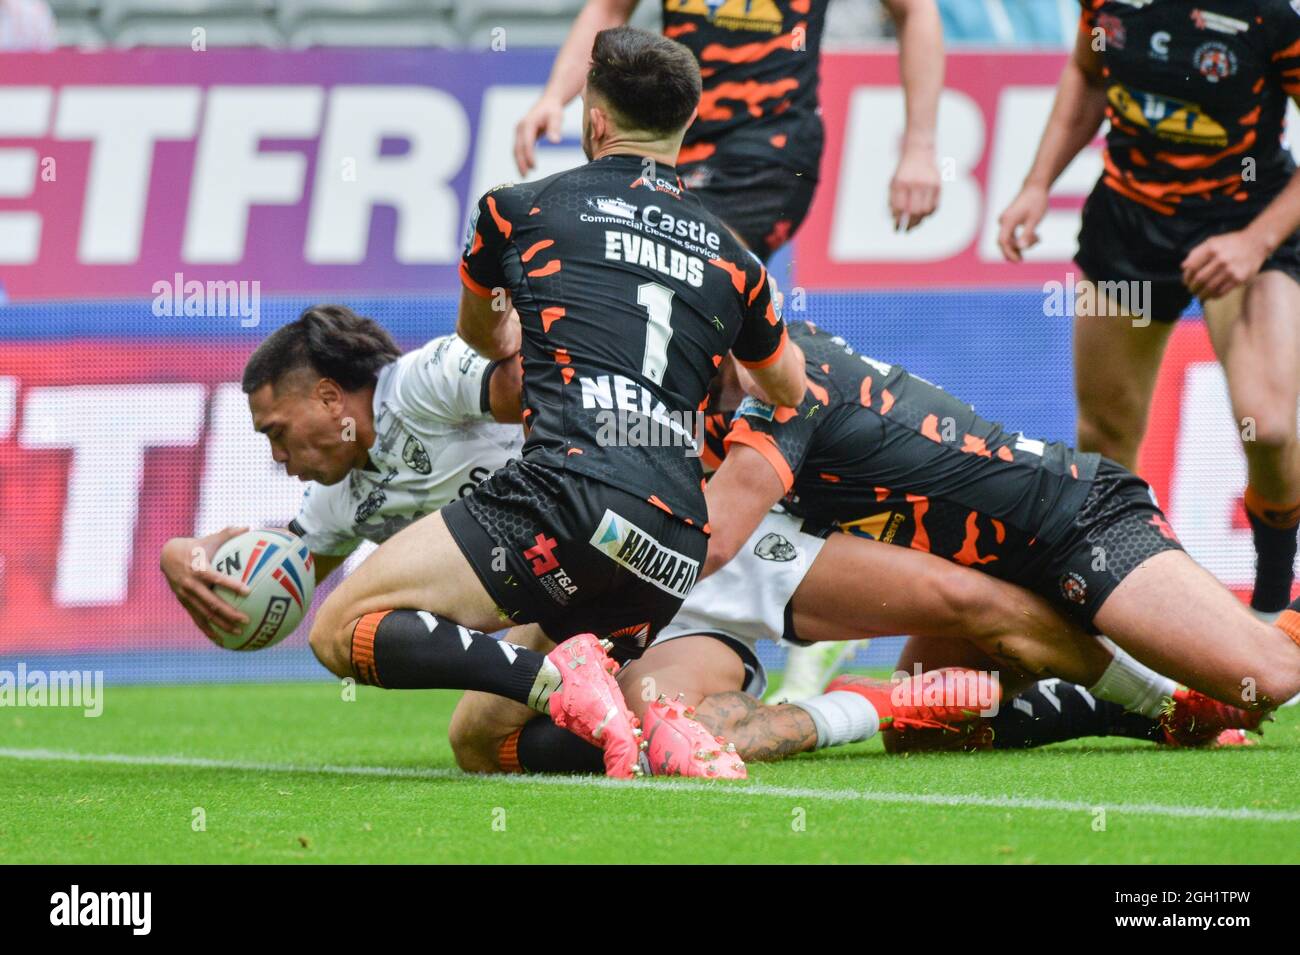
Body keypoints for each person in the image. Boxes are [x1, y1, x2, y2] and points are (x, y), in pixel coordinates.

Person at [303, 27, 804, 779]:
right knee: (479, 742)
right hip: (670, 545)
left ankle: (556, 680)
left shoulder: (516, 209)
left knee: (339, 627)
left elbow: (478, 335)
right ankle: (656, 729)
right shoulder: (736, 260)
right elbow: (788, 388)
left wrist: (512, 323)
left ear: (594, 121)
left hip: (564, 498)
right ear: (687, 124)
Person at [699, 320, 1300, 716]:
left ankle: (1158, 698)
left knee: (1270, 676)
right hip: (989, 570)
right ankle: (1113, 705)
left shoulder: (782, 384)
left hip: (1078, 521)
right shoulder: (713, 395)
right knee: (924, 722)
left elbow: (716, 539)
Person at [997, 0, 1300, 620]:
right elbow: (1088, 73)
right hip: (1130, 225)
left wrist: (1256, 240)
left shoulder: (1271, 16)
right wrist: (1036, 183)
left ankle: (1273, 611)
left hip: (1246, 223)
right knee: (1104, 443)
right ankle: (1114, 617)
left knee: (1268, 426)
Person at [515, 0, 944, 259]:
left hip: (771, 148)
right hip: (669, 139)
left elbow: (915, 10)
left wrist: (920, 148)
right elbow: (610, 9)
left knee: (699, 273)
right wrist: (554, 97)